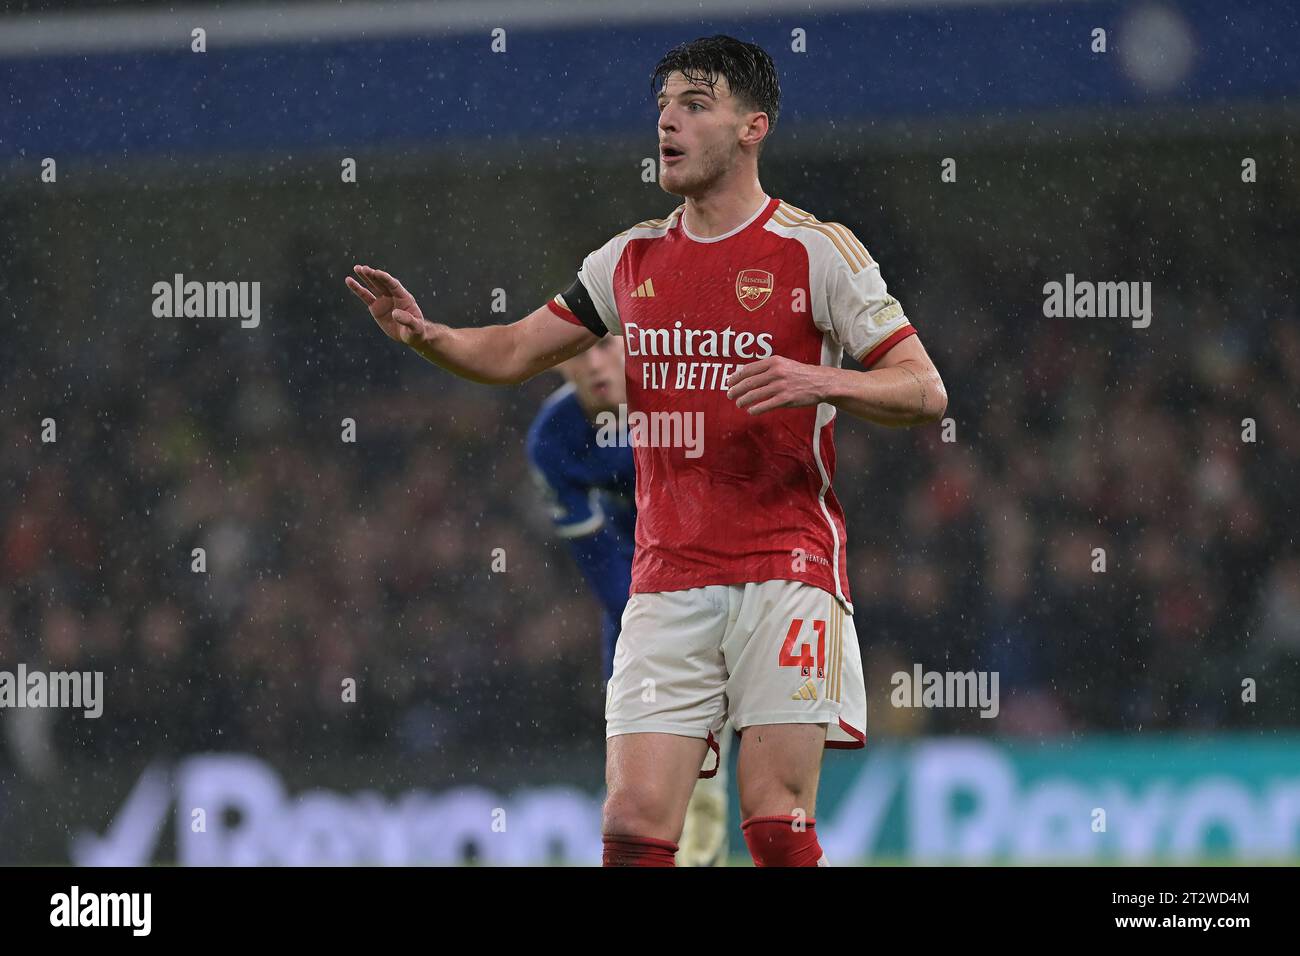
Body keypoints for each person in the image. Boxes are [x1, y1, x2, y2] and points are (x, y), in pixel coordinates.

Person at [345, 34, 947, 867]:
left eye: (694, 104)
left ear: (752, 127)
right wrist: (426, 335)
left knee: (774, 827)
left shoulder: (817, 251)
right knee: (632, 826)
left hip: (787, 565)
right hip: (665, 583)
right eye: (662, 105)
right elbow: (516, 349)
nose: (667, 121)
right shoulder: (626, 260)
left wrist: (824, 383)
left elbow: (925, 391)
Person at [525, 337, 732, 866]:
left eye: (603, 346)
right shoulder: (553, 440)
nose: (592, 363)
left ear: (632, 343)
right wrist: (653, 632)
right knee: (638, 795)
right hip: (636, 610)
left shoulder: (684, 402)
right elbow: (603, 564)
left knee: (706, 786)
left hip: (722, 590)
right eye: (575, 351)